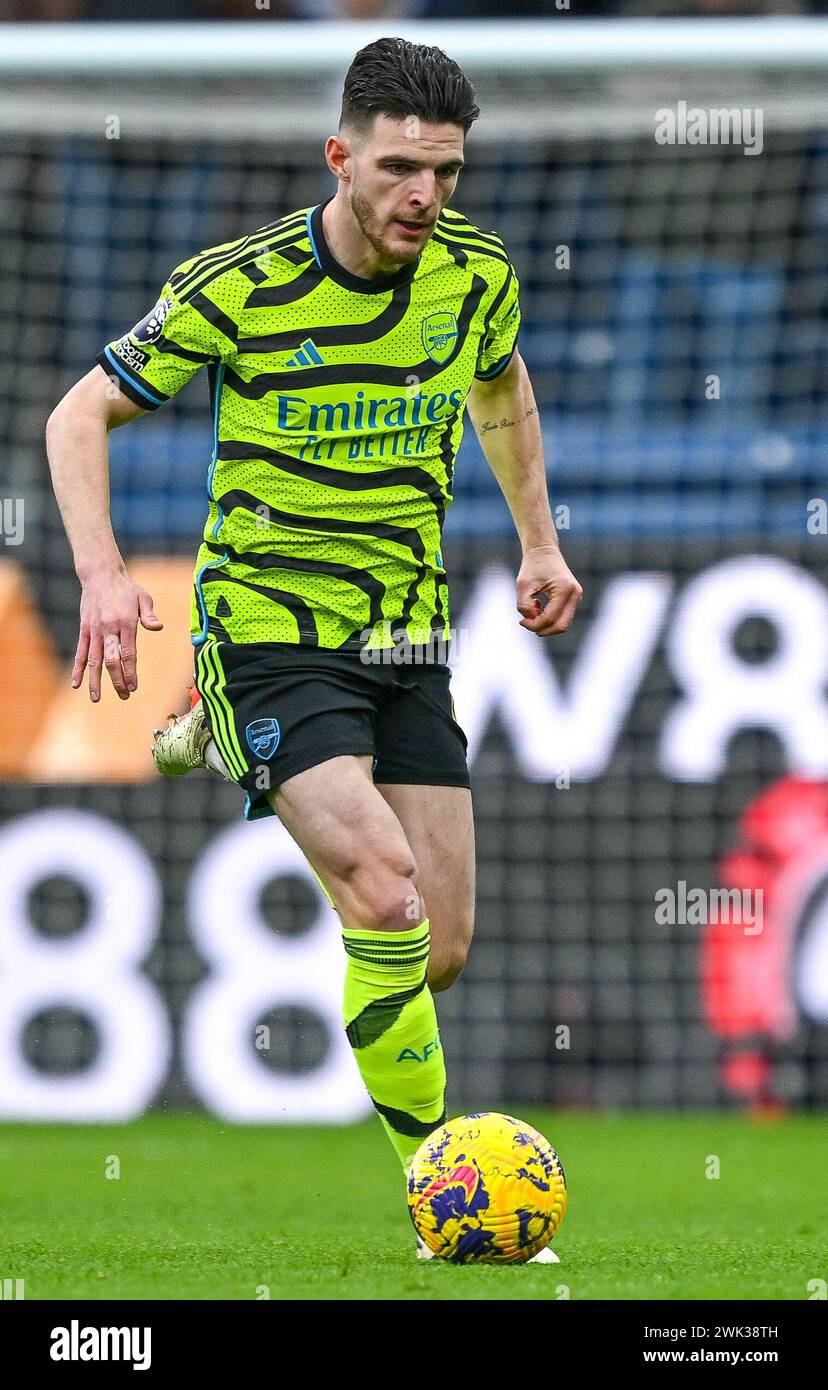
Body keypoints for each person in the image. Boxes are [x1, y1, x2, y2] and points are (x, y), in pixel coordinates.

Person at [46, 36, 582, 1263]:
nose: (423, 196)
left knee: (435, 947)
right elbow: (79, 414)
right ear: (339, 157)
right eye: (399, 168)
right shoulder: (241, 284)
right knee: (382, 888)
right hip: (271, 628)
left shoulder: (476, 274)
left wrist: (539, 543)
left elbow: (499, 390)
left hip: (406, 629)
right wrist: (103, 575)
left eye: (445, 171)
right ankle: (452, 1203)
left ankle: (216, 731)